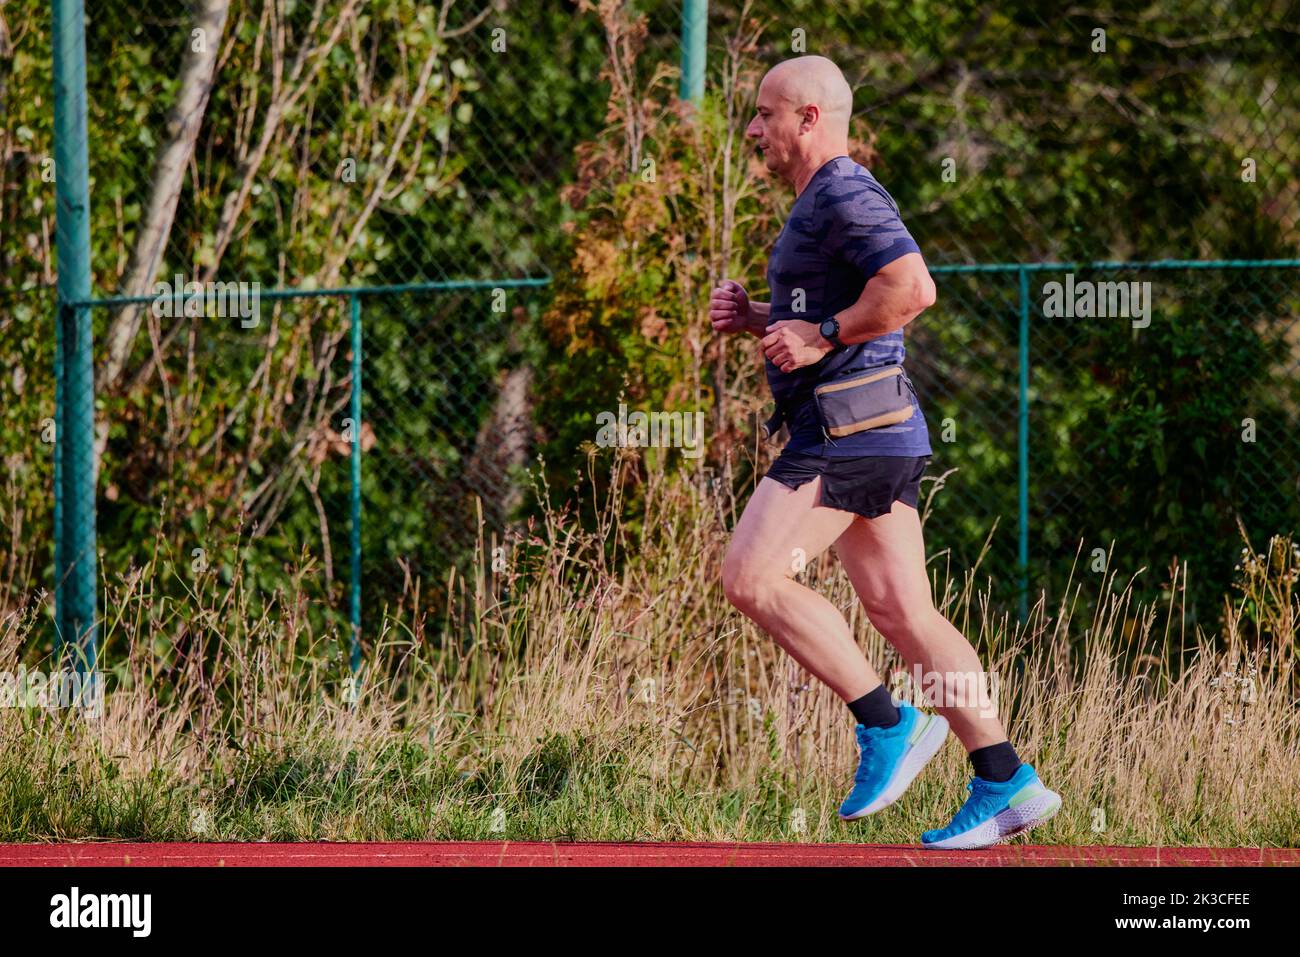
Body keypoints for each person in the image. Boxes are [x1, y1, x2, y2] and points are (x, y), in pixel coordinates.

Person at [710, 55, 1061, 849]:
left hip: (846, 434)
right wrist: (761, 316)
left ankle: (886, 719)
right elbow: (837, 303)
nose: (753, 128)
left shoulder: (842, 190)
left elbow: (911, 287)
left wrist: (822, 334)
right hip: (879, 428)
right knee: (906, 612)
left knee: (752, 575)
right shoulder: (816, 203)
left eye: (767, 113)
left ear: (810, 118)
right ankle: (1007, 776)